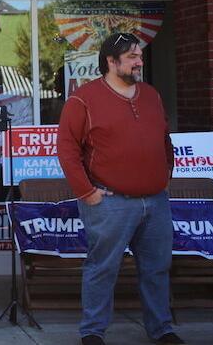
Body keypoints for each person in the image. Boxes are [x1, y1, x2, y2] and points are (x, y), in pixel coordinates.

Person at [57, 32, 184, 345]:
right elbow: (67, 149)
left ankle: (162, 329)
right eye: (132, 57)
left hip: (155, 201)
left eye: (139, 56)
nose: (139, 62)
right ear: (111, 62)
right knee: (102, 268)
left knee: (157, 268)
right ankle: (92, 332)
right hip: (109, 201)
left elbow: (165, 138)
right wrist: (87, 192)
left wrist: (166, 174)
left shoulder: (152, 95)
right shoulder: (83, 99)